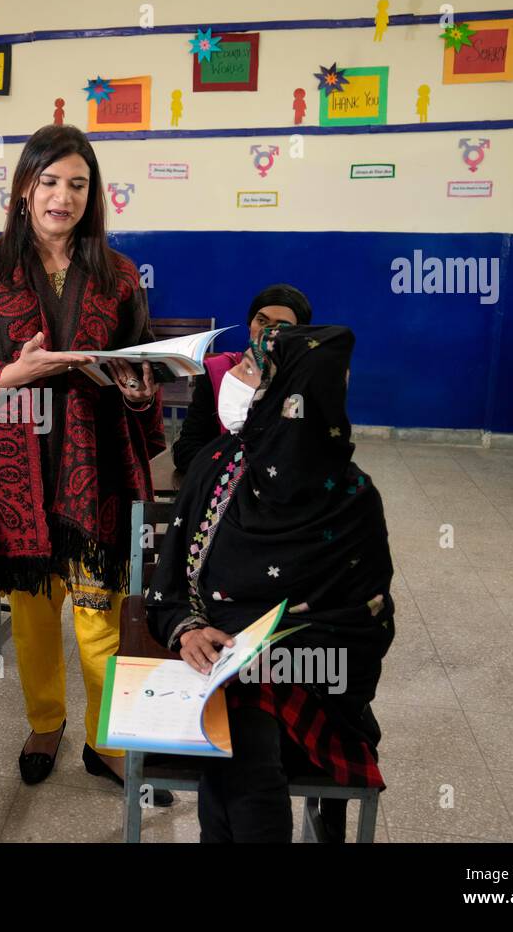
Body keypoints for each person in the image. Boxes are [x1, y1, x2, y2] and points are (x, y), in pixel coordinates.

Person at [0, 123, 172, 801]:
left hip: (93, 473)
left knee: (100, 620)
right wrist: (6, 376)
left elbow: (137, 362)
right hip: (12, 478)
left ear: (94, 194)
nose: (63, 195)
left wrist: (142, 388)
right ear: (24, 188)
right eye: (49, 180)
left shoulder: (118, 276)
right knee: (32, 618)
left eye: (78, 184)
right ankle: (45, 723)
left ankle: (107, 743)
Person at [147, 325, 395, 842]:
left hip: (313, 678)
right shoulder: (218, 467)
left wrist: (274, 648)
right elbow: (169, 585)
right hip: (215, 669)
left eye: (254, 374)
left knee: (243, 721)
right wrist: (189, 629)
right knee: (243, 720)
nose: (239, 381)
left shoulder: (354, 500)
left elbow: (369, 619)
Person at [171, 284, 312, 474]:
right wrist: (233, 473)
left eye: (281, 326)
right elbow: (186, 449)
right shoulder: (218, 372)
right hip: (225, 485)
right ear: (249, 324)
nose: (267, 332)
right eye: (261, 321)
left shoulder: (303, 380)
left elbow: (308, 450)